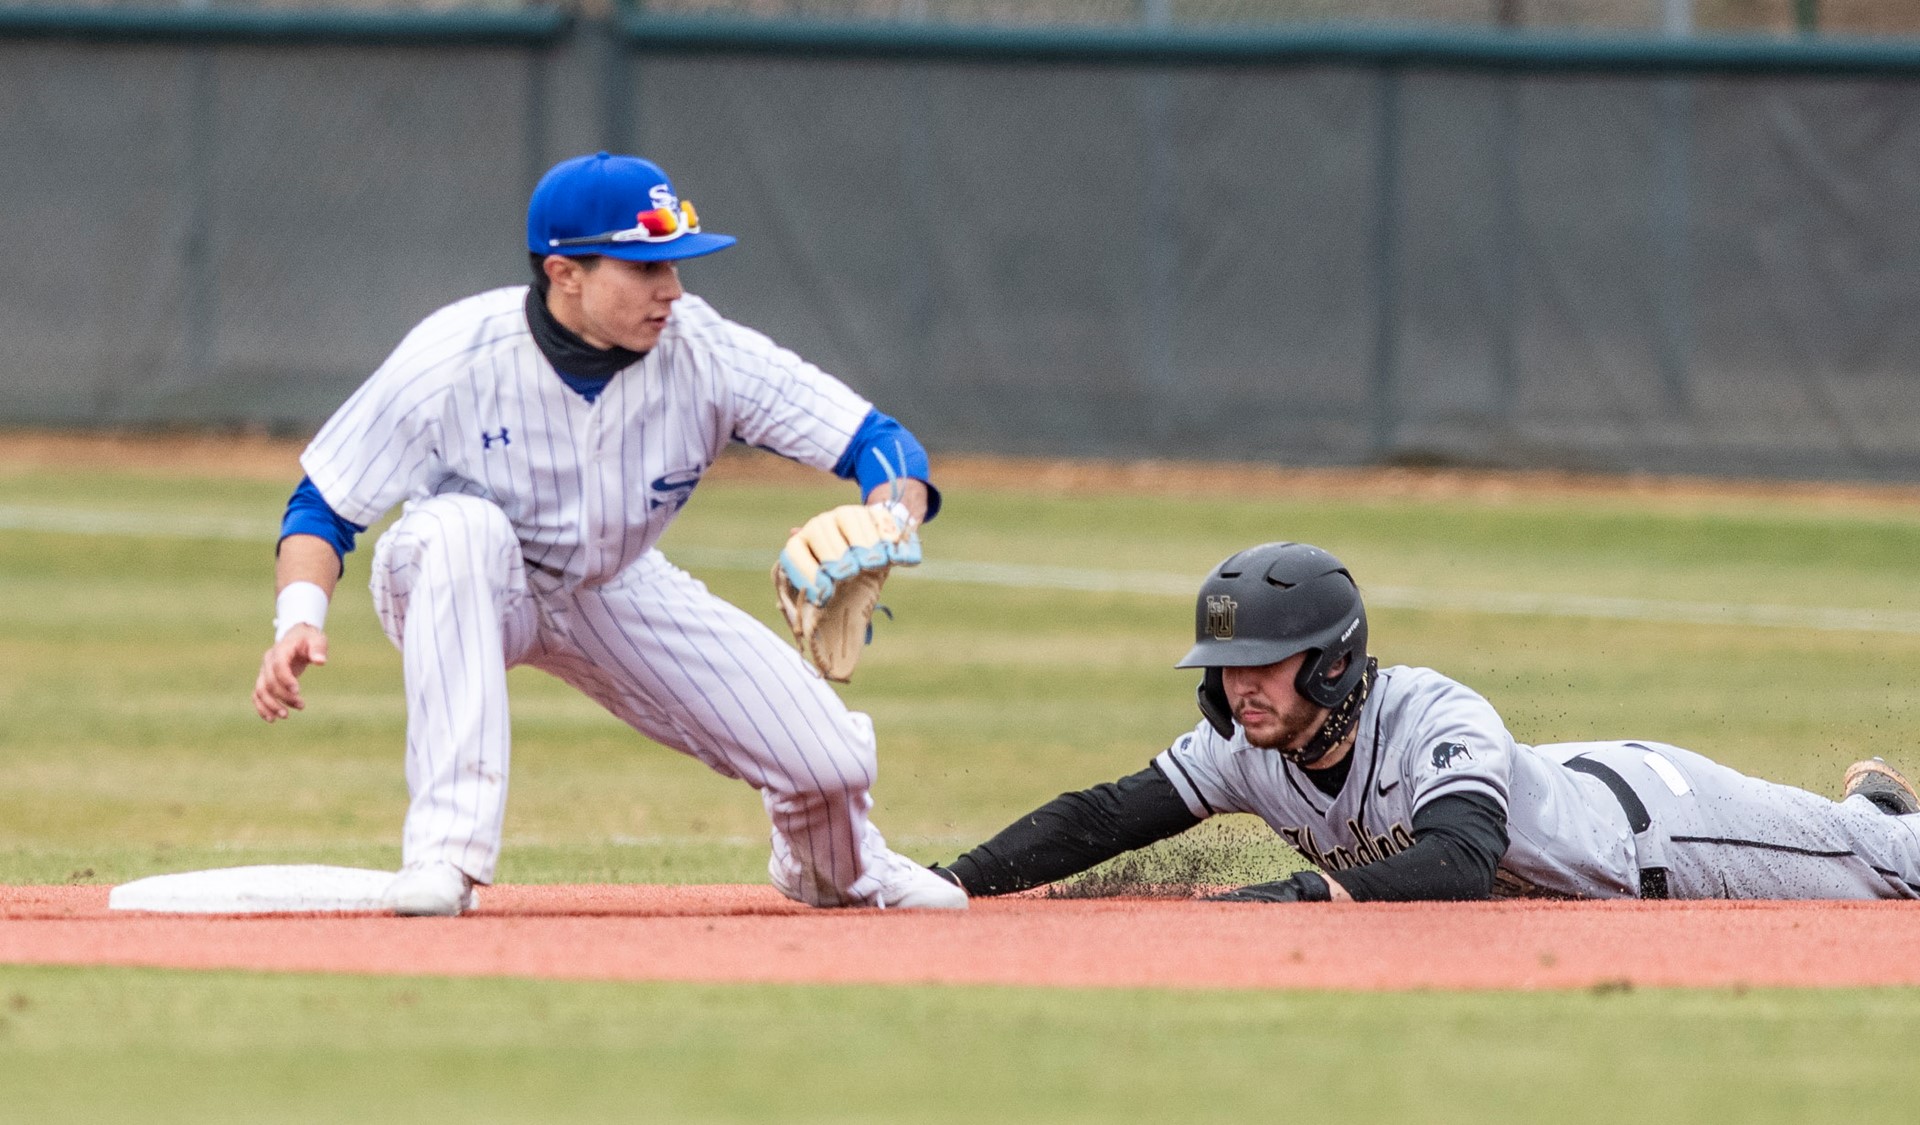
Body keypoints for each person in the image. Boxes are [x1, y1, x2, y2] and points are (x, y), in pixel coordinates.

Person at [252, 151, 967, 915]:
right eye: (645, 267)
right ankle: (443, 858)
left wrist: (891, 515)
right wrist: (299, 619)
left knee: (827, 760)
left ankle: (834, 867)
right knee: (465, 528)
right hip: (461, 578)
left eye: (676, 264)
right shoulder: (455, 355)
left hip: (614, 581)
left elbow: (880, 442)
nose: (673, 289)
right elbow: (323, 503)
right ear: (565, 273)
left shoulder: (704, 351)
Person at [933, 541, 1920, 903]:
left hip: (1655, 825)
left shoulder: (1432, 715)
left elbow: (1457, 860)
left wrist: (1314, 895)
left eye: (1259, 663)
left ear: (1332, 660)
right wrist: (949, 882)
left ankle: (1878, 817)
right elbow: (1104, 815)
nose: (1239, 690)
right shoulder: (1250, 744)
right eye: (1224, 668)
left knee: (1887, 871)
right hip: (1553, 784)